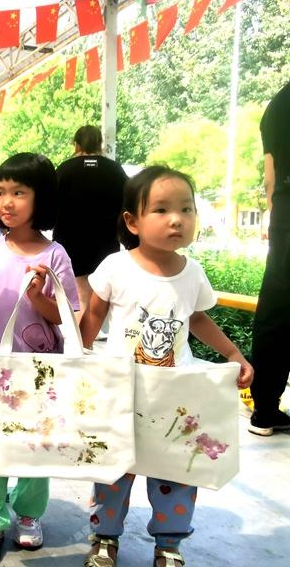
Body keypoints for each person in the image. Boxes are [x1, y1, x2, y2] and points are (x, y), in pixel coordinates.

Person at [79, 166, 254, 567]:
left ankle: (169, 543)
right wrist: (78, 356)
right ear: (132, 221)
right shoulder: (115, 267)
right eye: (160, 209)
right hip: (122, 392)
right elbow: (93, 314)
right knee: (114, 468)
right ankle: (105, 537)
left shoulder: (192, 272)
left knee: (176, 468)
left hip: (175, 397)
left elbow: (197, 319)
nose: (177, 218)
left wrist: (233, 354)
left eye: (186, 209)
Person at [0, 153, 79, 563]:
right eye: (2, 192)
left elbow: (65, 316)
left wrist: (37, 297)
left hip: (40, 371)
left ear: (41, 198)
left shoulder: (55, 255)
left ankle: (28, 514)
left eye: (19, 192)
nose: (6, 201)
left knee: (34, 440)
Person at [53, 125, 128, 323]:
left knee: (79, 290)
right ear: (100, 144)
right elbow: (128, 201)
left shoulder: (64, 170)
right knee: (100, 286)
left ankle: (80, 333)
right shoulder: (115, 170)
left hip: (70, 239)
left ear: (76, 144)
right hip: (105, 238)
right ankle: (91, 330)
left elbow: (50, 203)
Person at [249, 81, 290, 436]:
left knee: (276, 310)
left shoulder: (278, 104)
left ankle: (264, 410)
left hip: (287, 214)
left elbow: (270, 178)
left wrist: (279, 217)